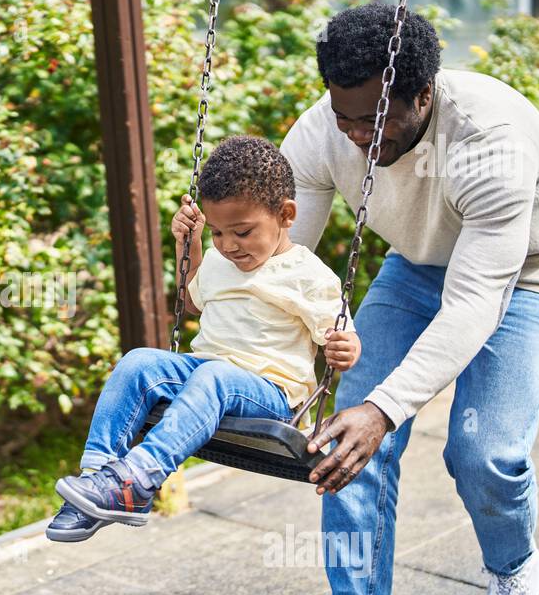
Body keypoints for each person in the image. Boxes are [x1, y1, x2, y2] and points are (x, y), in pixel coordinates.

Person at [270, 4, 539, 595]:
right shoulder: (328, 130)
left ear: (423, 94)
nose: (358, 136)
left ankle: (513, 567)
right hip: (417, 267)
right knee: (343, 438)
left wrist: (386, 407)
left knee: (483, 452)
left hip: (526, 273)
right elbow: (285, 260)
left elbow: (475, 303)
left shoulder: (489, 142)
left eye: (375, 121)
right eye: (346, 117)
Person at [47, 136, 360, 540]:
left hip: (270, 392)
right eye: (217, 233)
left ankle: (139, 479)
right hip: (207, 373)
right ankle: (98, 481)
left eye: (243, 232)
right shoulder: (218, 260)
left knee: (213, 376)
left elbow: (345, 340)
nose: (229, 245)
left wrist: (345, 347)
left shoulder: (309, 275)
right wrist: (192, 245)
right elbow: (193, 300)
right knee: (138, 361)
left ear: (285, 215)